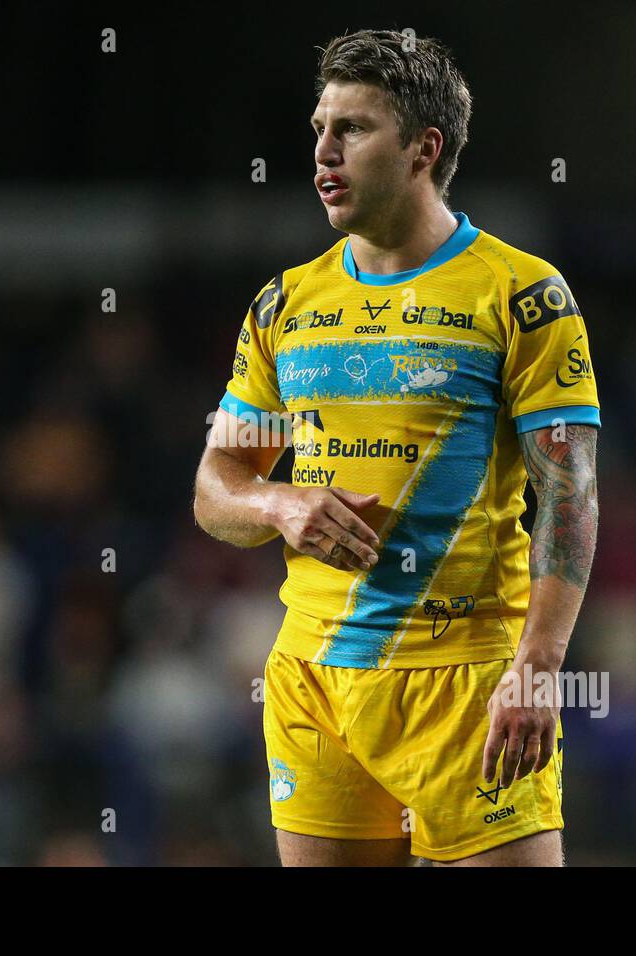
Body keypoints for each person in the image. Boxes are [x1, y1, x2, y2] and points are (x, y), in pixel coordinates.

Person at [193, 28, 600, 866]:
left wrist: (539, 665)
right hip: (313, 678)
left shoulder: (522, 293)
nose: (323, 151)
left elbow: (571, 493)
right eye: (318, 127)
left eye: (353, 127)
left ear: (424, 148)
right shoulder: (286, 305)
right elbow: (217, 484)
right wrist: (280, 501)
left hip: (467, 680)